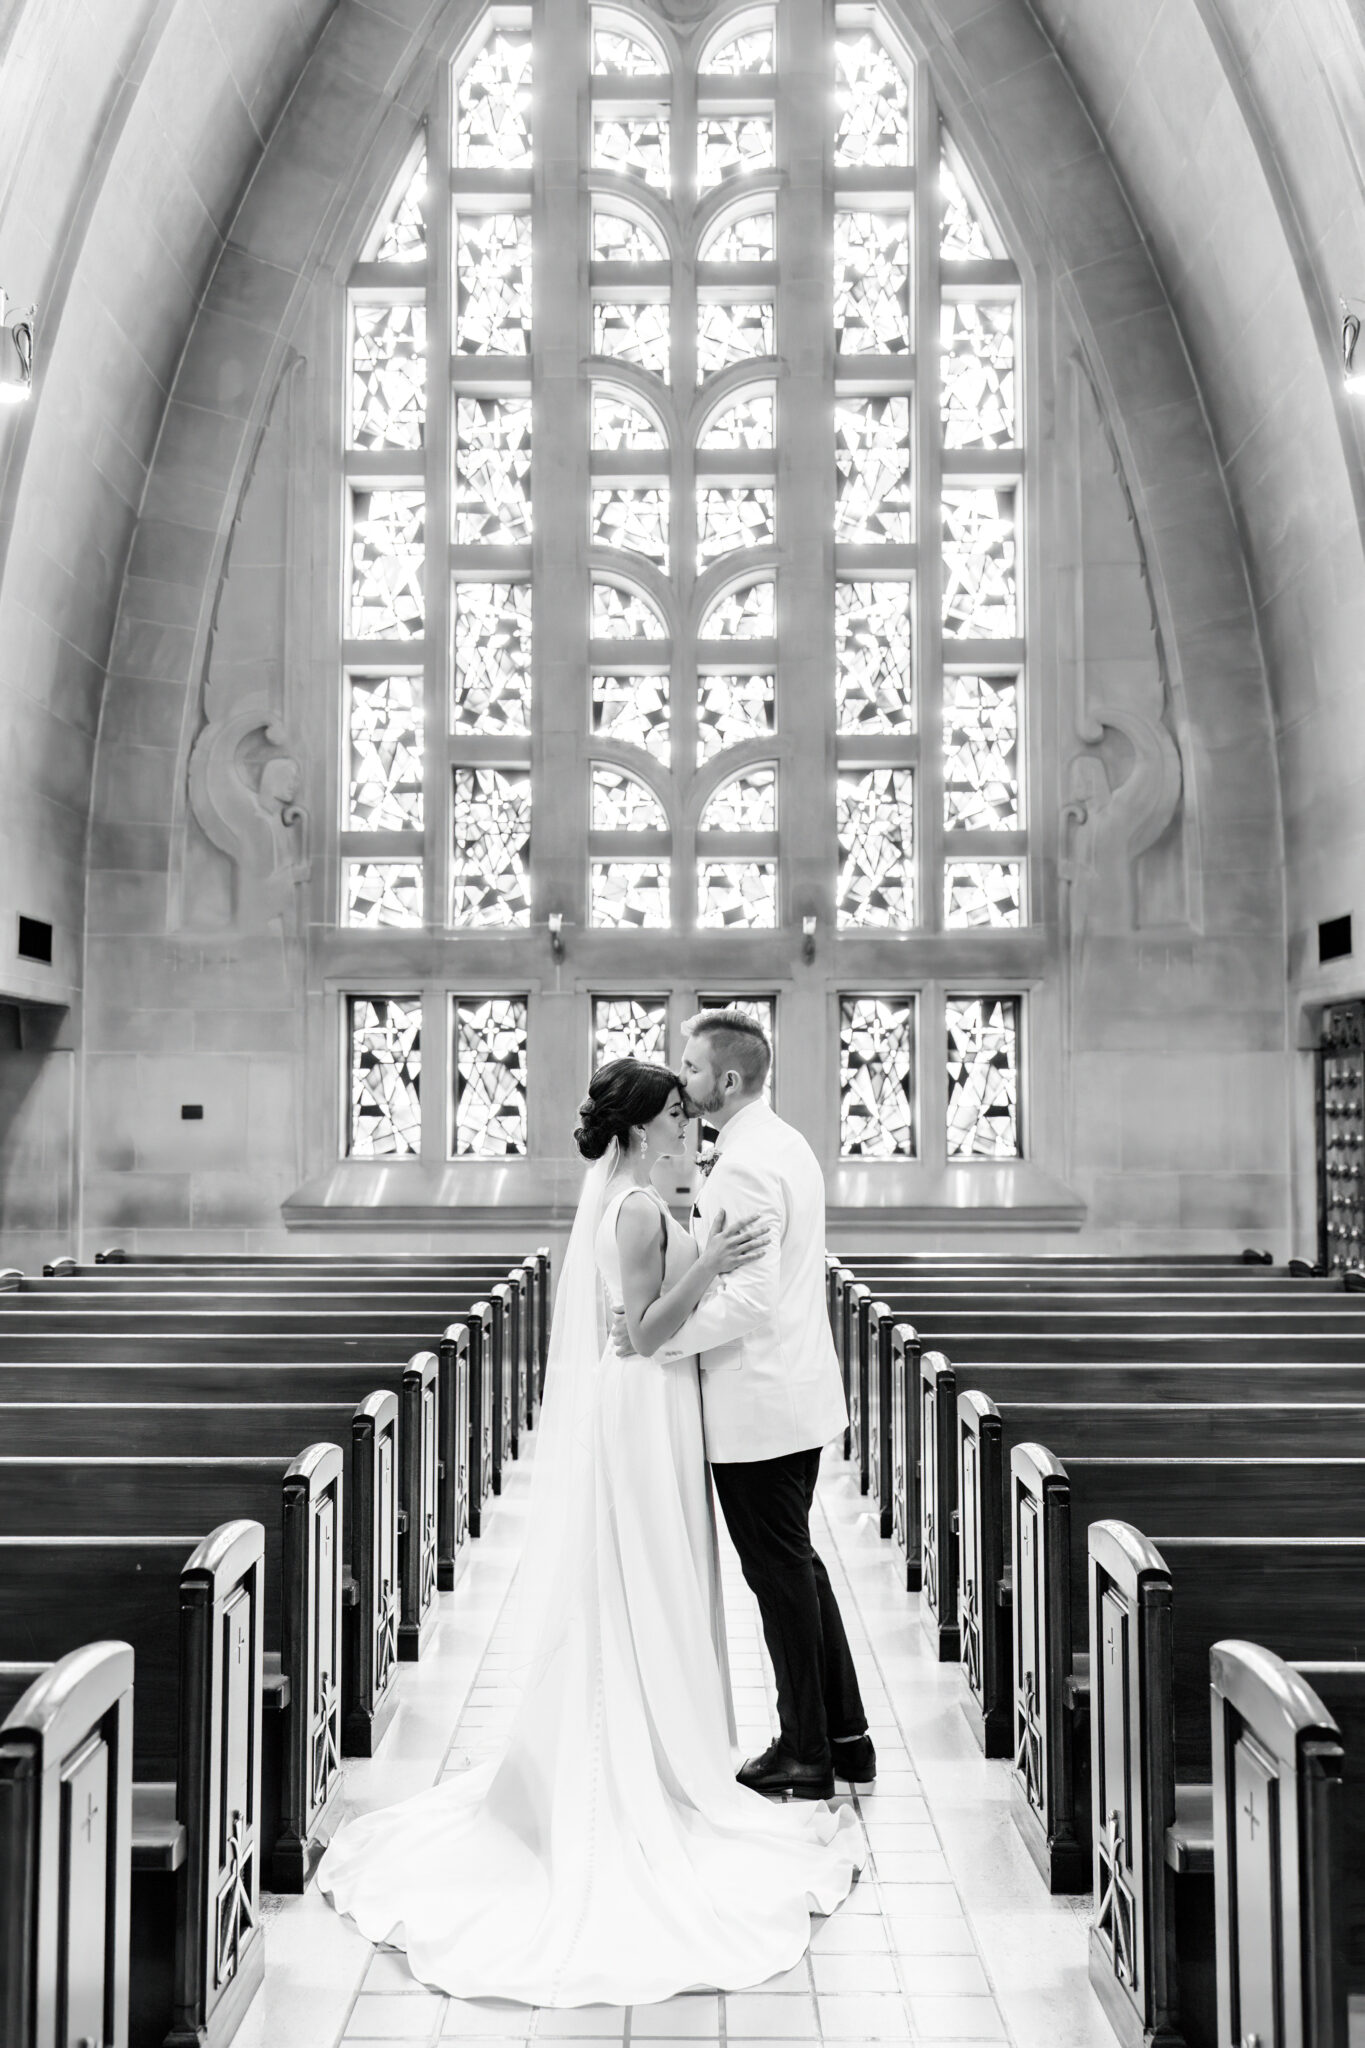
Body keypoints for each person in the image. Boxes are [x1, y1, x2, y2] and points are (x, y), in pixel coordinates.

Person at [317, 1057, 864, 2006]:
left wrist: (701, 1264)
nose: (690, 1122)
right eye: (677, 1112)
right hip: (645, 1404)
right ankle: (652, 1758)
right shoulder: (640, 1208)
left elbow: (641, 1321)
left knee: (654, 1571)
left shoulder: (643, 1196)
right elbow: (648, 1334)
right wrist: (712, 1266)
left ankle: (703, 1740)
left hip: (649, 1404)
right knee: (642, 1571)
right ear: (646, 1128)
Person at [614, 1010, 874, 1800]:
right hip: (789, 1394)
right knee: (796, 1567)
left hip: (758, 1402)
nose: (681, 1083)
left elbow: (751, 1299)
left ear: (726, 1080)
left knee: (778, 1575)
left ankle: (804, 1751)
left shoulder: (743, 1167)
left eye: (690, 1069)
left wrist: (662, 1339)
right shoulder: (780, 1142)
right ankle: (844, 1736)